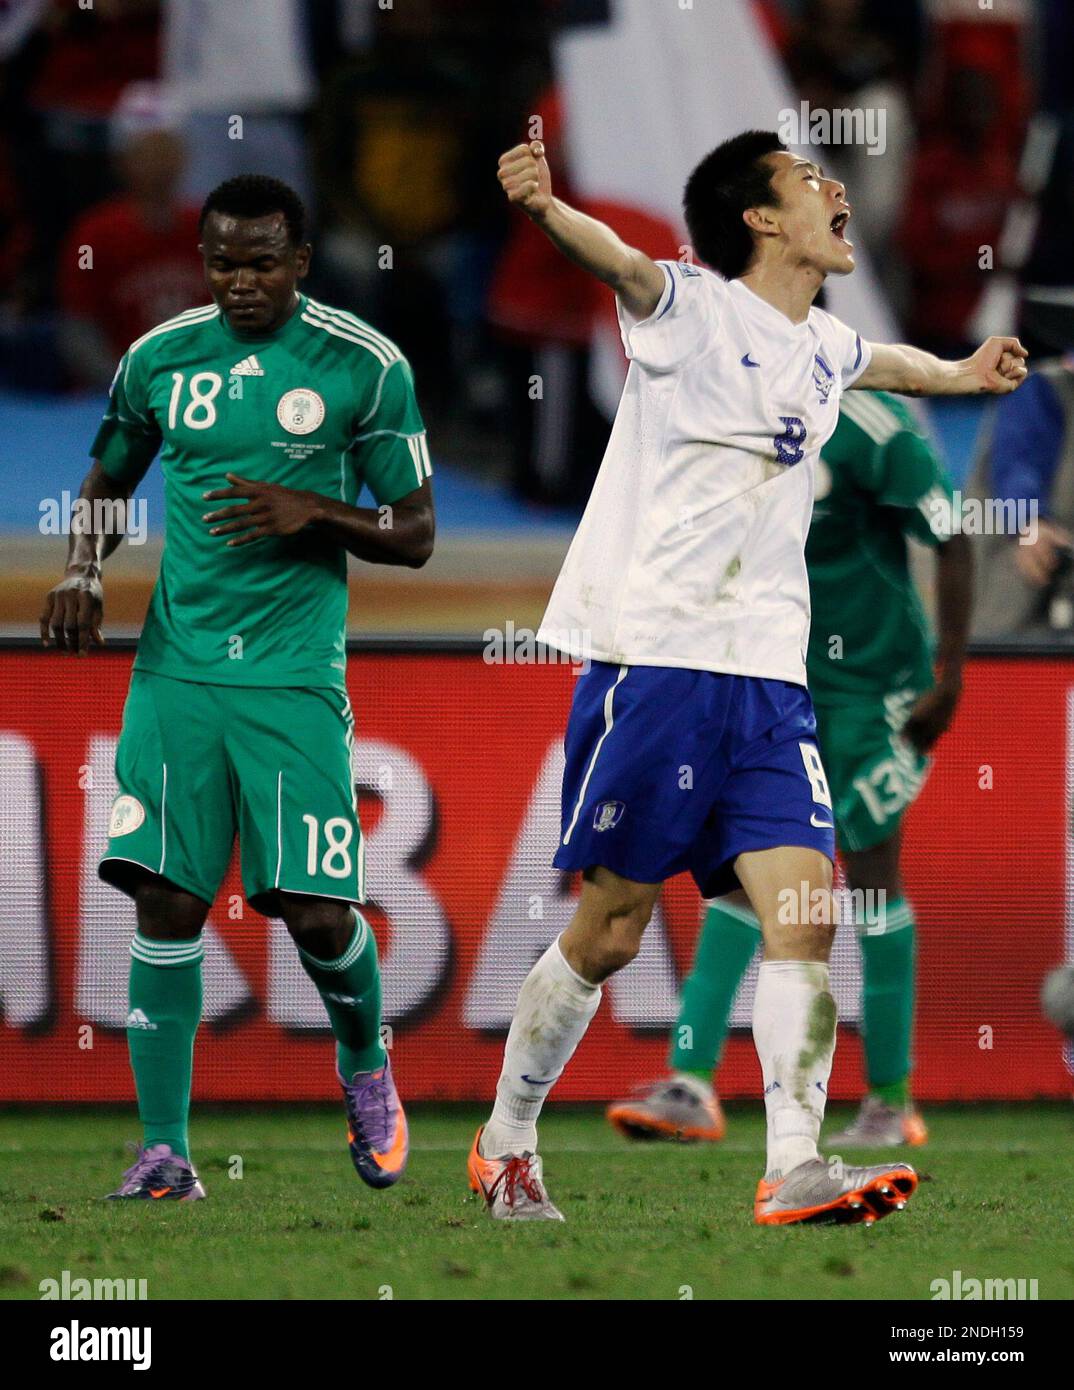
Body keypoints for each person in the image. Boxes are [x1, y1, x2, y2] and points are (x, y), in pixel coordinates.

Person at [469, 132, 1025, 1226]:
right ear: (760, 219)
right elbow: (618, 260)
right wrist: (543, 210)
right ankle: (507, 1142)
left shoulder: (821, 343)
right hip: (662, 659)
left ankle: (793, 1162)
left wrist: (957, 374)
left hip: (771, 683)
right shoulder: (692, 310)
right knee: (614, 927)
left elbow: (881, 361)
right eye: (806, 178)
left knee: (806, 913)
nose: (834, 188)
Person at [40, 174, 434, 1201]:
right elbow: (106, 483)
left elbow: (418, 531)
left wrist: (320, 513)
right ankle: (165, 1151)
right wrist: (82, 571)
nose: (240, 282)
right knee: (167, 901)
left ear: (301, 262)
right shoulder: (161, 360)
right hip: (177, 669)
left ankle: (365, 1066)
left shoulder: (363, 366)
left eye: (262, 262)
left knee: (313, 912)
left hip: (293, 676)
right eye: (223, 263)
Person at [606, 390, 971, 1151]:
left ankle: (890, 1099)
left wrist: (951, 676)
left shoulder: (875, 427)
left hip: (876, 687)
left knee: (870, 875)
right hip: (780, 676)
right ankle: (692, 1082)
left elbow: (952, 535)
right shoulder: (734, 415)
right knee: (748, 866)